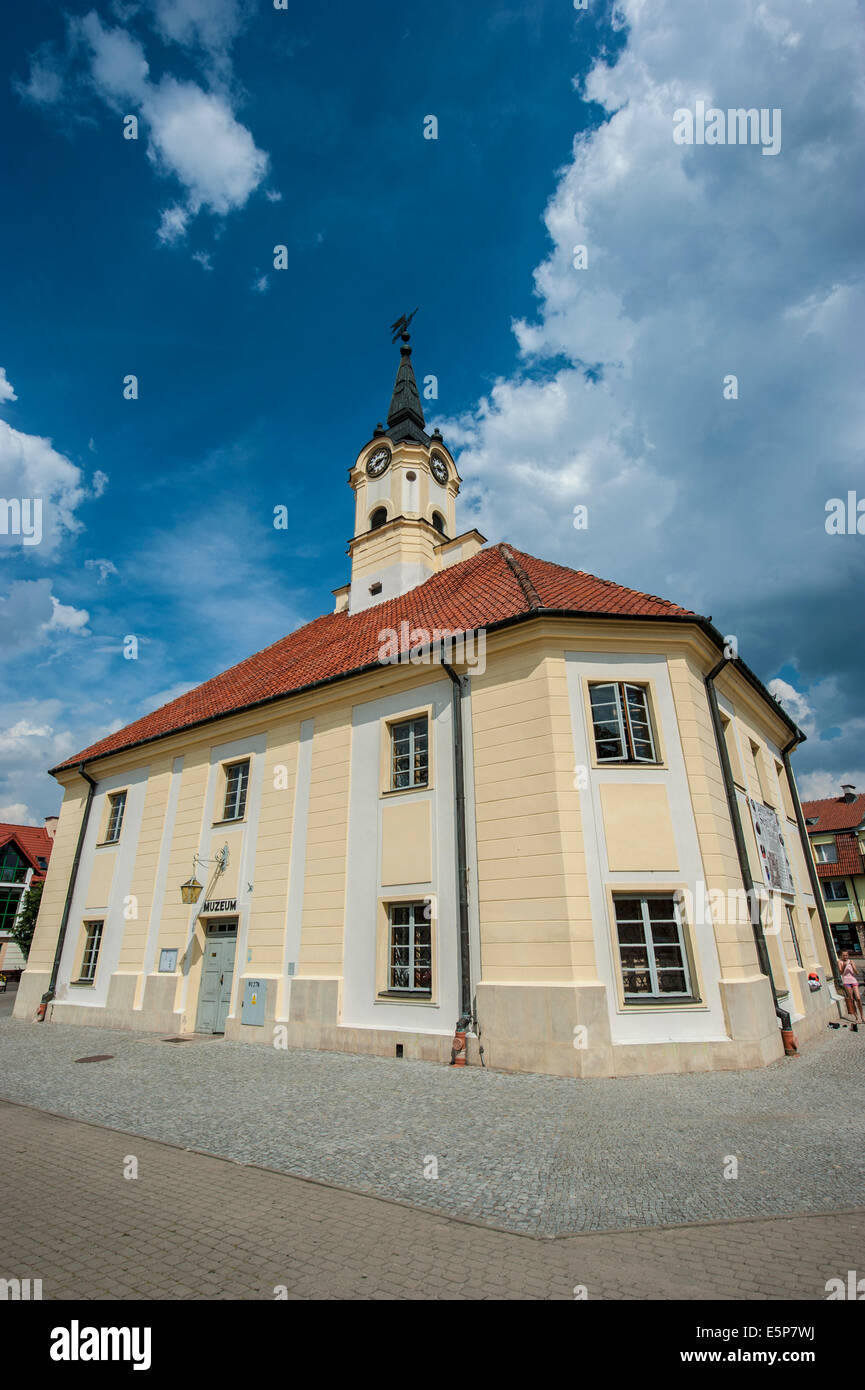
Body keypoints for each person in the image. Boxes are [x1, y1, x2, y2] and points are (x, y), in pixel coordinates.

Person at [839, 950, 864, 1030]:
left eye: (846, 955)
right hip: (846, 981)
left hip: (853, 980)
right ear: (841, 956)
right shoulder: (840, 962)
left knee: (858, 998)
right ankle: (857, 1017)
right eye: (844, 955)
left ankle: (862, 1016)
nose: (845, 957)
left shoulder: (851, 961)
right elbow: (841, 972)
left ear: (848, 955)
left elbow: (856, 972)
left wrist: (853, 966)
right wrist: (844, 966)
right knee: (851, 999)